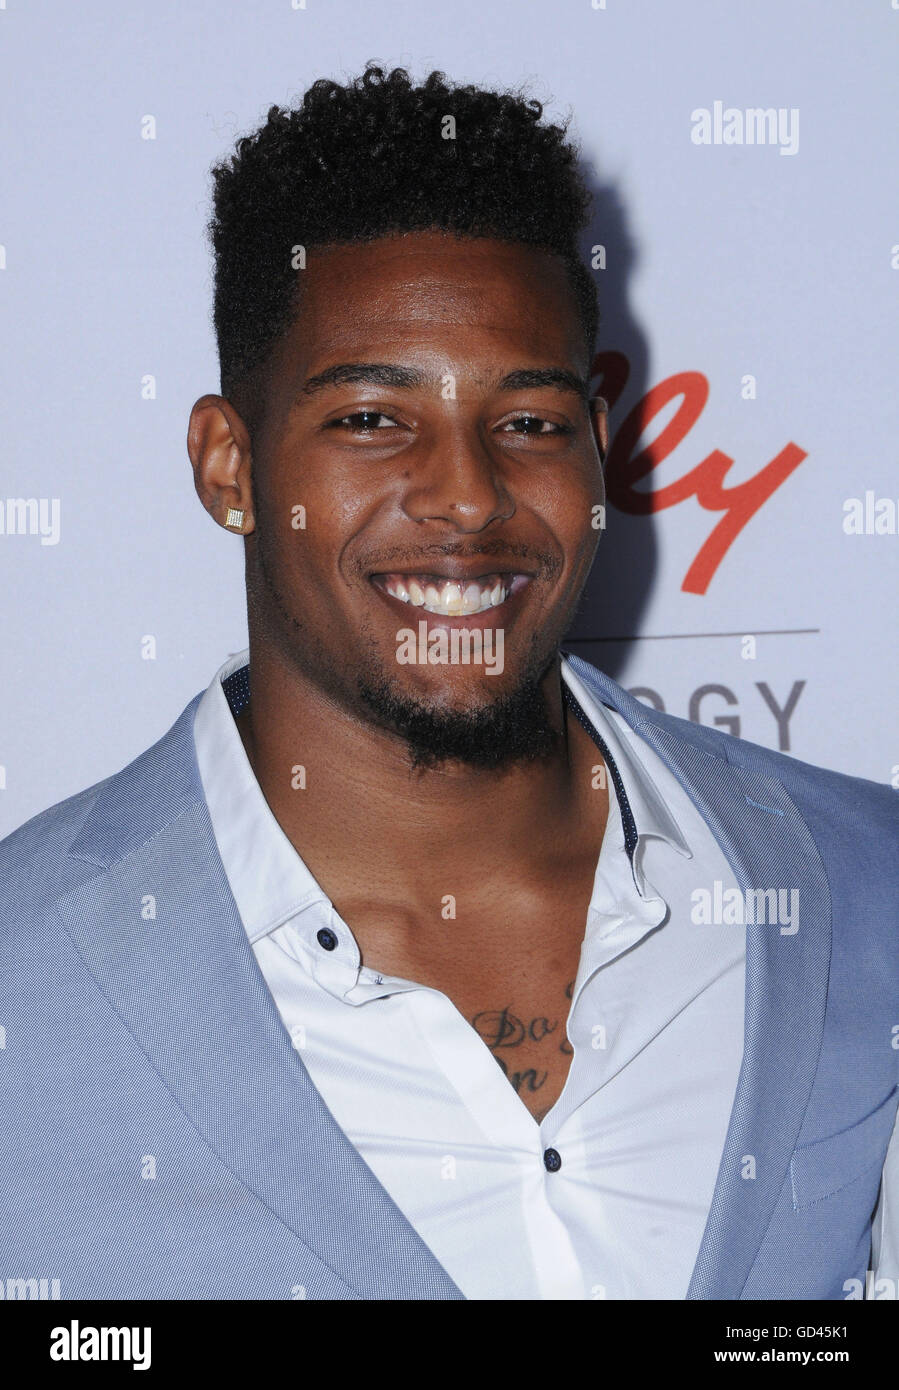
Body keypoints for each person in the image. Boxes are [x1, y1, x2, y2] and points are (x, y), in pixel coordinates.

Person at [1, 63, 896, 1302]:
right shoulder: (23, 988)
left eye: (527, 422)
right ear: (228, 465)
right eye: (372, 418)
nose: (468, 495)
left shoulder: (861, 885)